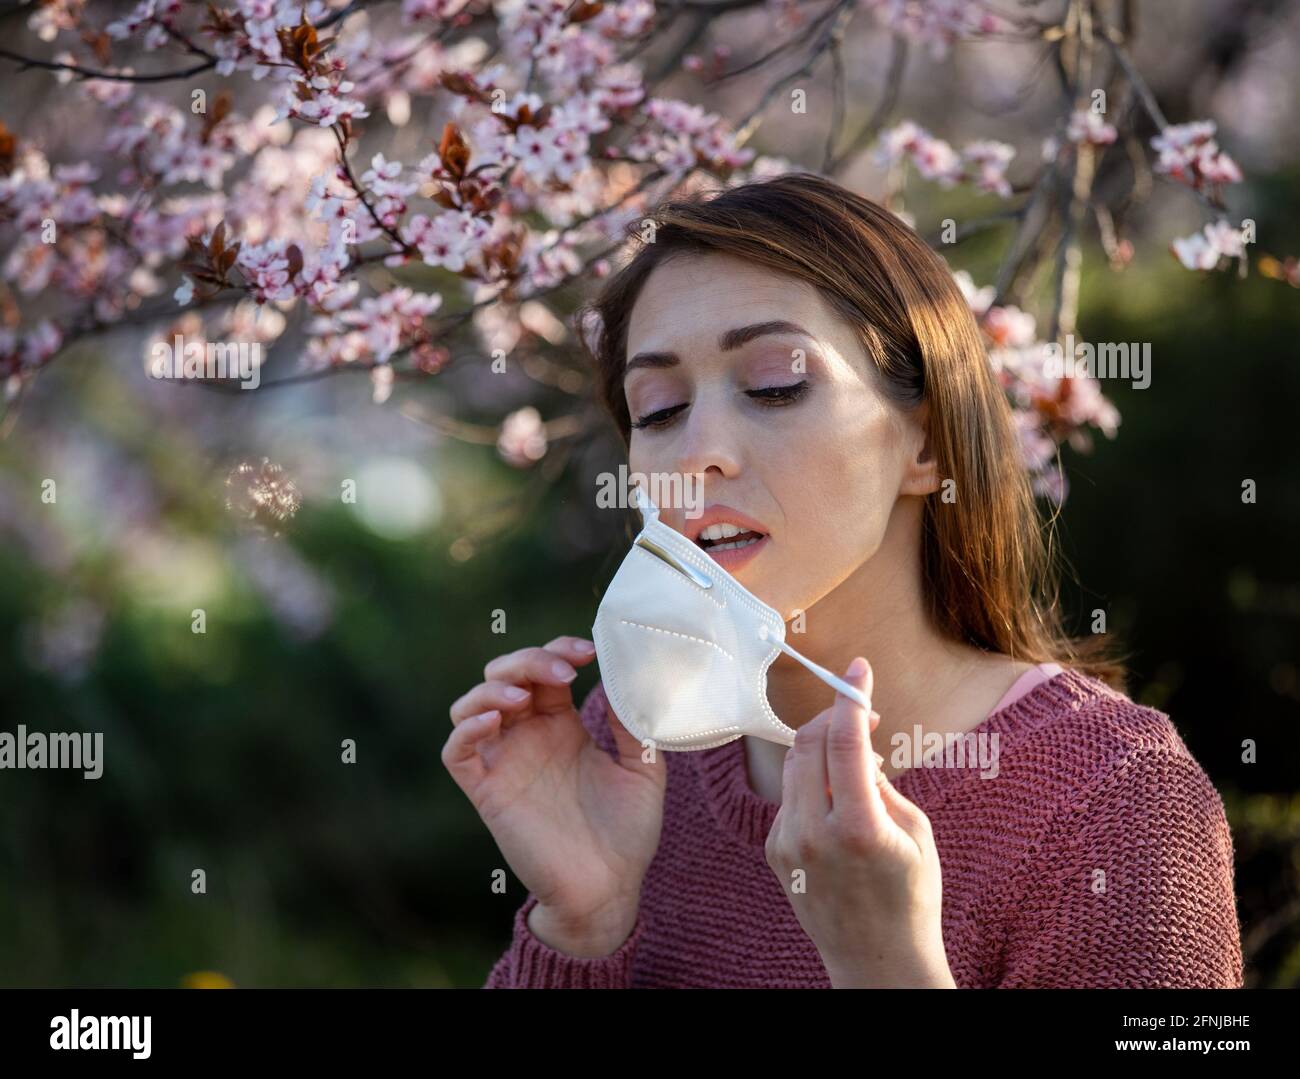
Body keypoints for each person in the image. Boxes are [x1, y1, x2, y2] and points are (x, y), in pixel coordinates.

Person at [444, 172, 1244, 988]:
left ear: (925, 444)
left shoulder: (1114, 798)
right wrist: (582, 922)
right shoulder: (638, 745)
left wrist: (886, 968)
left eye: (773, 386)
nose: (695, 453)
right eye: (656, 409)